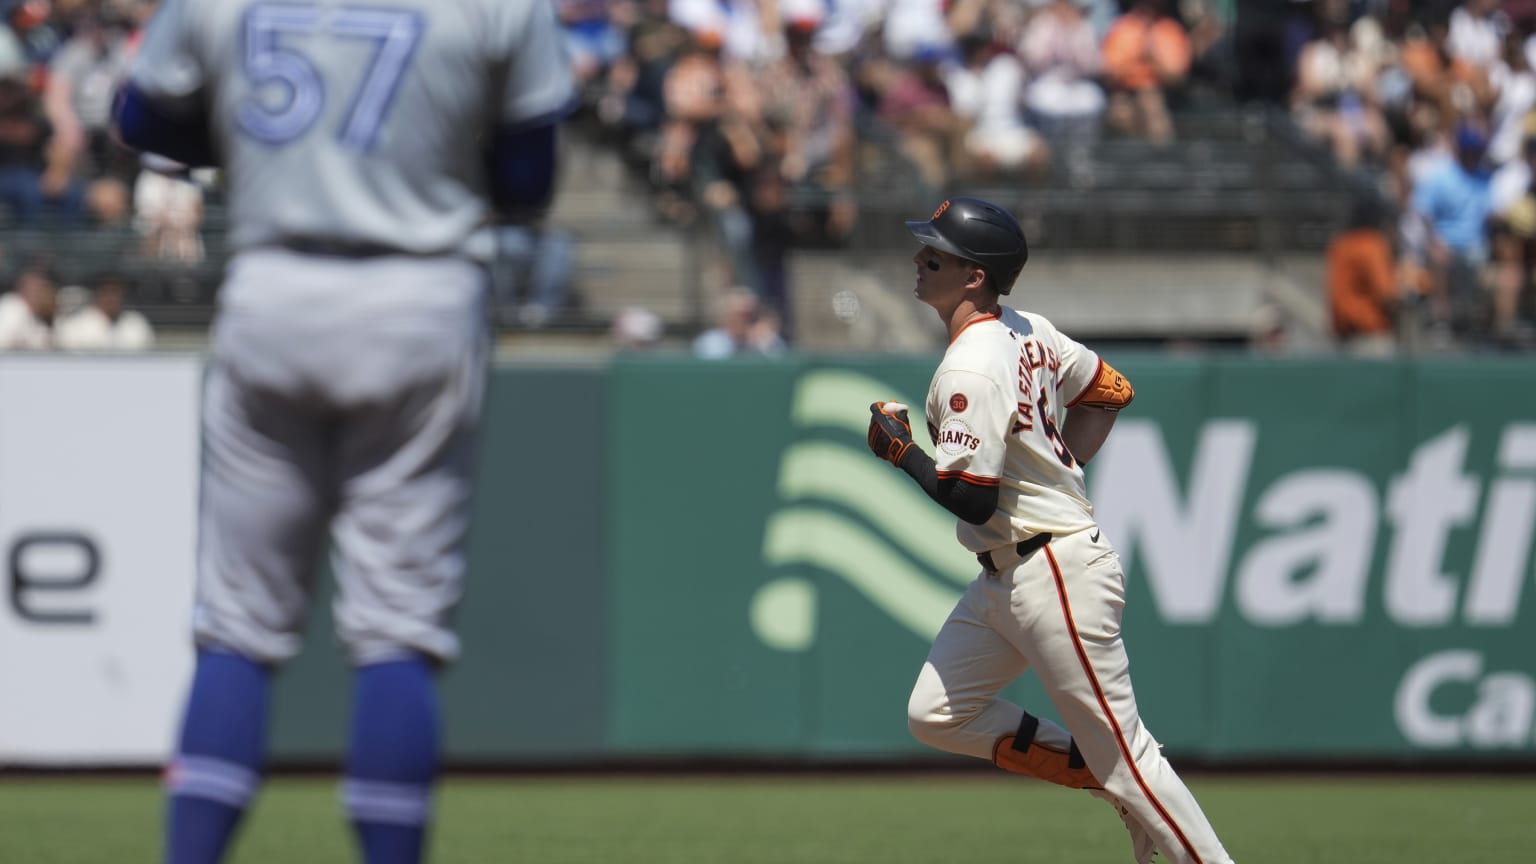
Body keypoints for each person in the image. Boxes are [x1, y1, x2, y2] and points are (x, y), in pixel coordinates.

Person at [110, 1, 575, 862]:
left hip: (273, 284)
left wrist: (261, 145)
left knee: (238, 626)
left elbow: (141, 119)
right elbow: (527, 179)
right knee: (398, 627)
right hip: (421, 291)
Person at [865, 197, 1235, 864]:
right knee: (937, 714)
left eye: (936, 254)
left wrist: (902, 451)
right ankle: (1105, 776)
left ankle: (1128, 784)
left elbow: (971, 500)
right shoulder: (1029, 328)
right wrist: (1058, 466)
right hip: (1008, 576)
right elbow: (1111, 391)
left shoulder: (973, 364)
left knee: (1129, 757)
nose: (919, 259)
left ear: (975, 275)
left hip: (1052, 570)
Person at [55, 271, 155, 351]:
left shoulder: (136, 323)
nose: (112, 297)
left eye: (116, 291)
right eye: (106, 291)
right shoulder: (74, 326)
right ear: (97, 293)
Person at [0, 260, 56, 350]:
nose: (39, 294)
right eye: (35, 288)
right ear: (23, 287)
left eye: (42, 288)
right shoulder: (12, 307)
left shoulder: (39, 316)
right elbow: (3, 344)